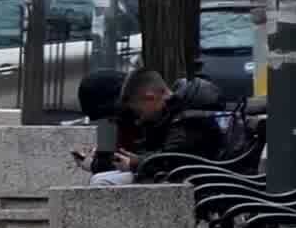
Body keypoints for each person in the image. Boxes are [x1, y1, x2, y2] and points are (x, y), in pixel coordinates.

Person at [93, 68, 228, 177]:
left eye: (139, 112)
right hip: (191, 178)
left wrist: (136, 163)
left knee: (102, 180)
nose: (139, 120)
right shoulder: (174, 112)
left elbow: (174, 158)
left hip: (200, 181)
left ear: (150, 98)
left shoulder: (187, 116)